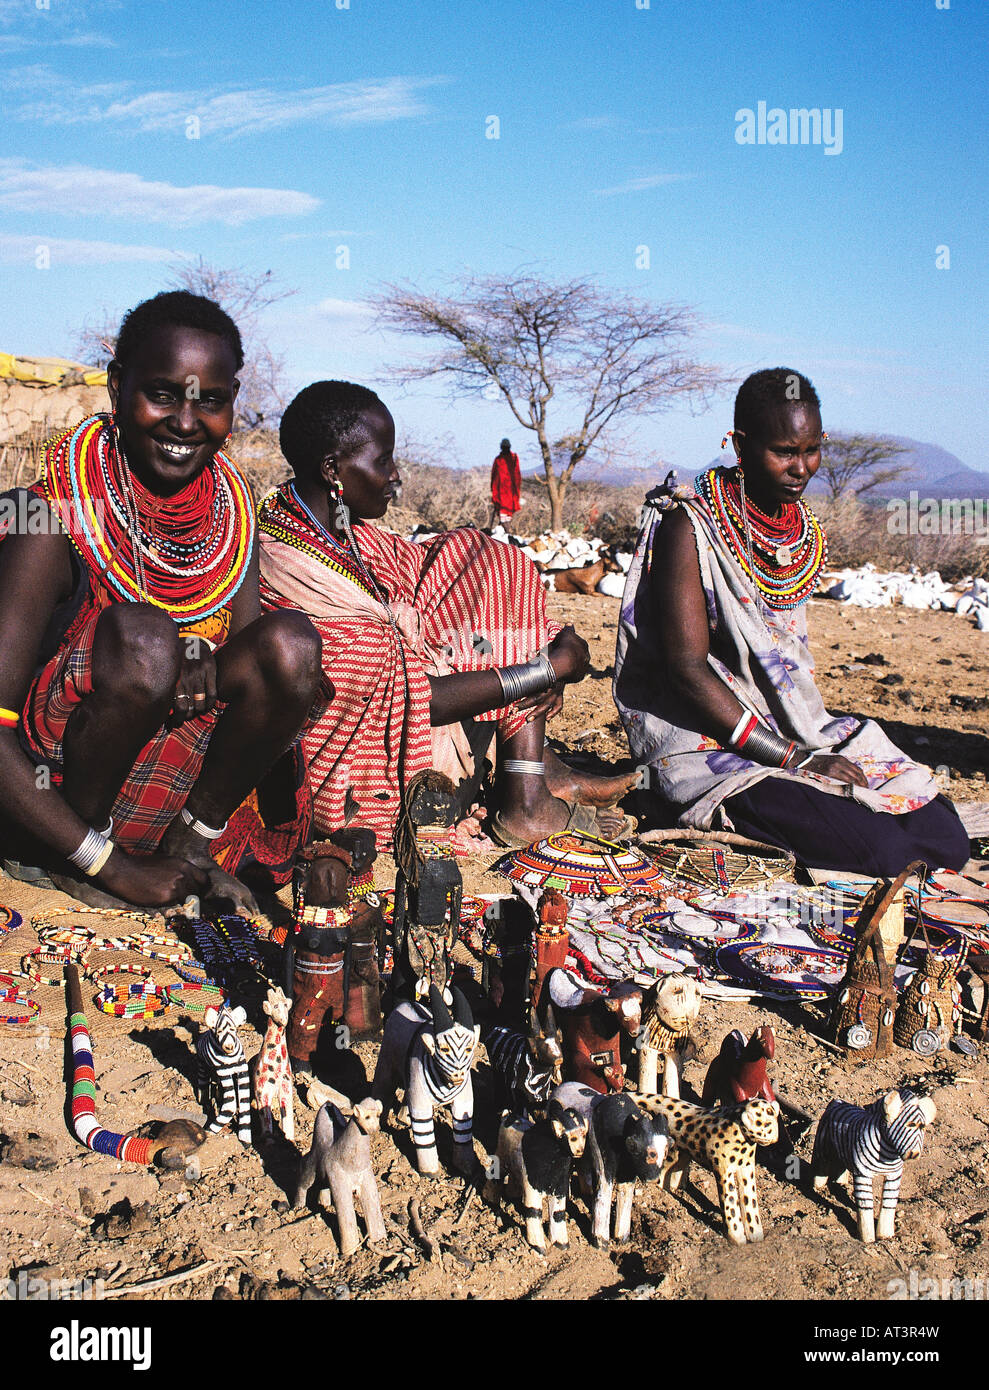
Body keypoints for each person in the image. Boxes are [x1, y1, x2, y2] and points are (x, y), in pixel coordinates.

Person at [0, 290, 321, 909]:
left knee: (292, 644)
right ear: (118, 388)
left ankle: (191, 848)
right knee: (146, 639)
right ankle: (78, 861)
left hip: (166, 789)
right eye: (164, 393)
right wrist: (109, 867)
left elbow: (251, 674)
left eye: (212, 401)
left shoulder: (231, 519)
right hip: (48, 806)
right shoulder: (48, 516)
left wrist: (202, 648)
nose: (185, 421)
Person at [614, 367, 969, 876]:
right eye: (783, 451)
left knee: (945, 840)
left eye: (810, 450)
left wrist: (807, 750)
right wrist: (793, 761)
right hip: (710, 749)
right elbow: (686, 671)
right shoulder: (688, 526)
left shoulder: (797, 531)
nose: (800, 468)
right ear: (739, 444)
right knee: (885, 855)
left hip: (803, 731)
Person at [258, 381, 636, 852]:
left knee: (483, 555)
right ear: (333, 470)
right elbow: (410, 698)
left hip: (412, 701)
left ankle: (532, 773)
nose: (396, 476)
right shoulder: (288, 567)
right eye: (383, 461)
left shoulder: (343, 535)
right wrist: (545, 668)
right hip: (361, 779)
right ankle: (528, 797)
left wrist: (550, 637)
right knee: (484, 629)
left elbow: (440, 575)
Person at [489, 437, 522, 528]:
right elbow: (494, 475)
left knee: (507, 515)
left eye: (506, 447)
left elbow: (517, 475)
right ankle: (507, 533)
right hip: (500, 492)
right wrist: (493, 490)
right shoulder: (498, 460)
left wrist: (517, 491)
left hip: (510, 492)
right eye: (504, 447)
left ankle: (507, 534)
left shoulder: (514, 458)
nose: (505, 449)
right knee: (502, 514)